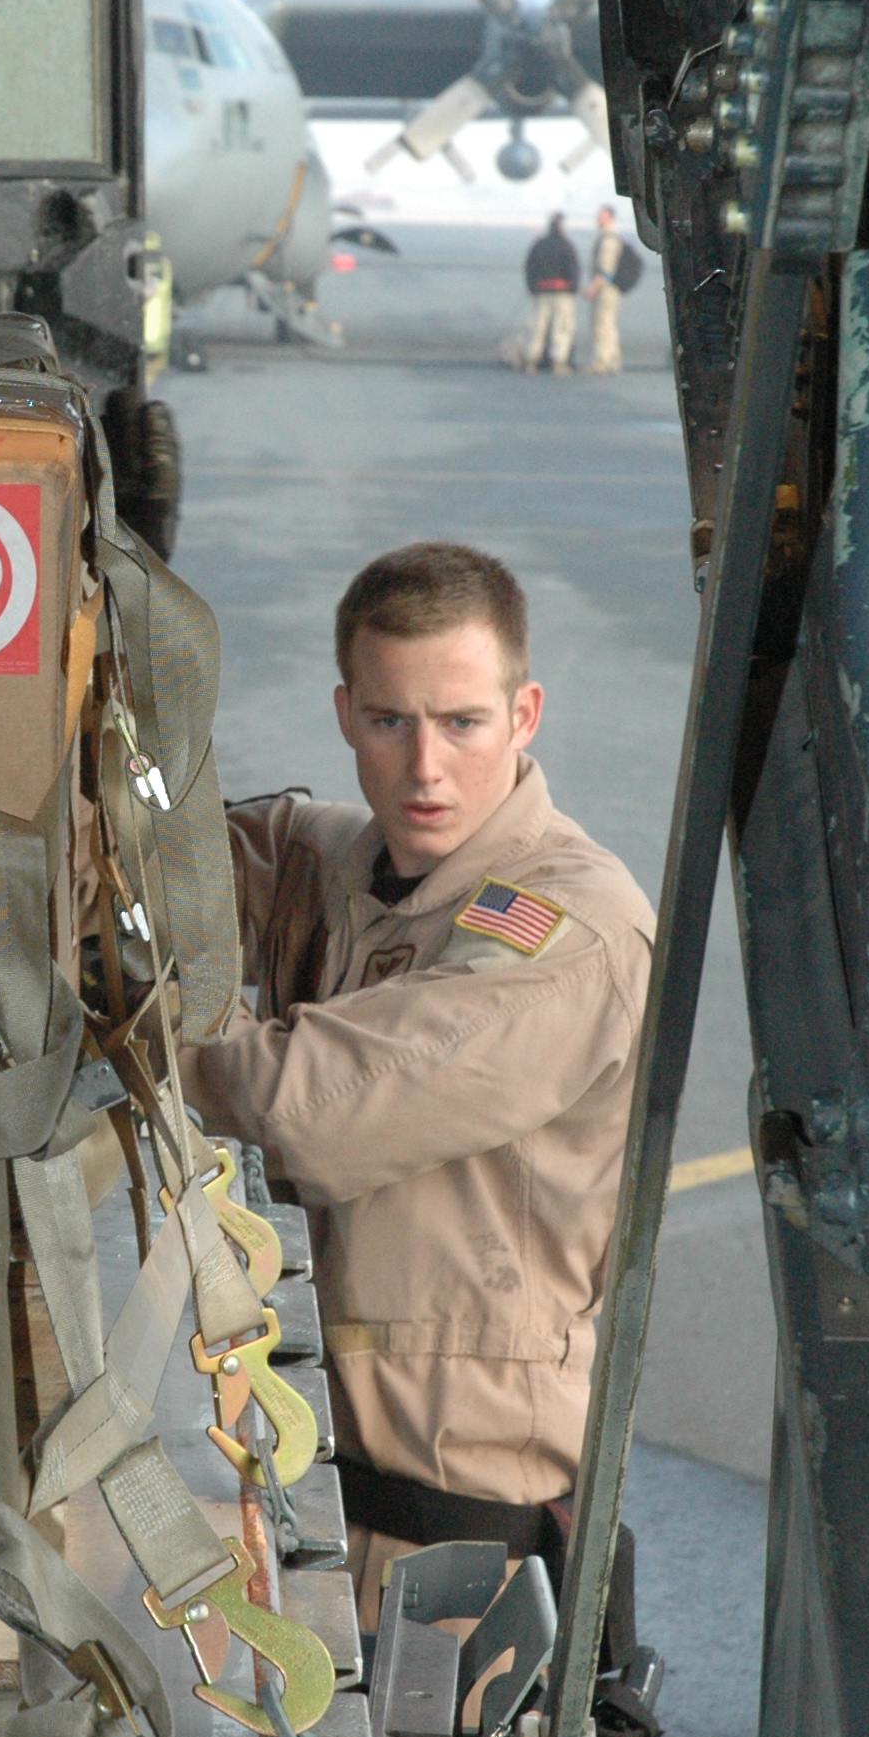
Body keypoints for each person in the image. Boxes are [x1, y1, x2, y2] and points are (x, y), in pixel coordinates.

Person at [180, 541, 655, 1643]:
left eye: (461, 722)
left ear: (523, 712)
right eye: (391, 721)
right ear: (345, 713)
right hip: (320, 1492)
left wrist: (134, 1027)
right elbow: (177, 857)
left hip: (450, 1552)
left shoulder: (562, 929)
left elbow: (307, 1105)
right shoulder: (346, 866)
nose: (424, 767)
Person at [521, 211, 579, 372]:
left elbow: (530, 267)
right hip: (563, 293)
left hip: (541, 291)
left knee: (537, 327)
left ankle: (531, 360)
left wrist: (532, 287)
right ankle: (558, 362)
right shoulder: (567, 245)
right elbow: (573, 270)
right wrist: (573, 288)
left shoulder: (539, 244)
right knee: (561, 328)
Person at [586, 205, 625, 376]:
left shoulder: (608, 239)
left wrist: (592, 288)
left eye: (601, 215)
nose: (597, 218)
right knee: (608, 324)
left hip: (605, 289)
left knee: (602, 324)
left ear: (609, 216)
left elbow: (605, 270)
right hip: (610, 288)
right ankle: (612, 360)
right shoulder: (611, 237)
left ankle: (602, 361)